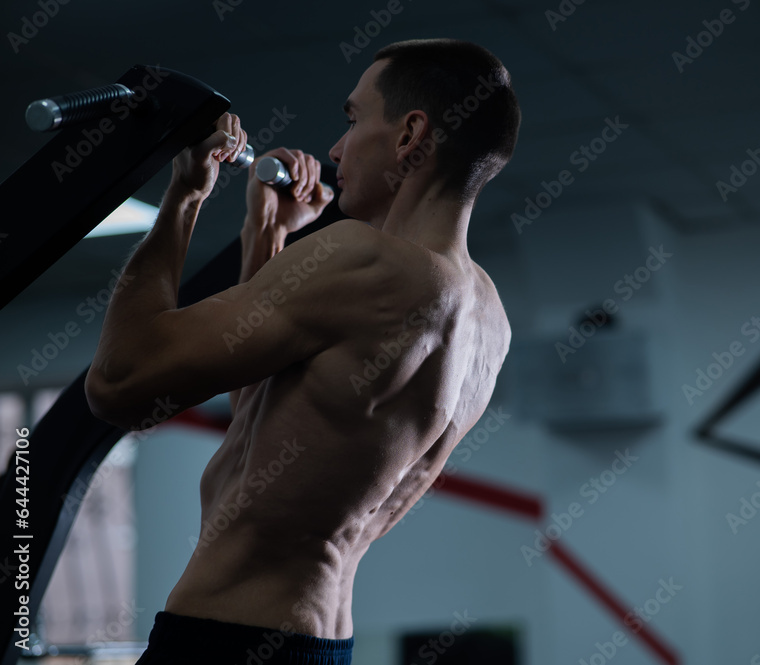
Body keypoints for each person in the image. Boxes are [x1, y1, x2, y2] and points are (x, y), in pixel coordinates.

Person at [84, 38, 520, 664]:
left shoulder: (363, 257)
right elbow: (269, 416)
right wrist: (269, 235)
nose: (337, 150)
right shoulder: (487, 318)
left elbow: (119, 385)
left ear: (409, 135)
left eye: (352, 119)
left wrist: (184, 197)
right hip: (316, 642)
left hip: (220, 641)